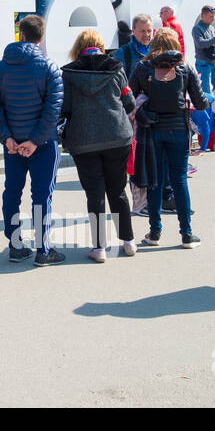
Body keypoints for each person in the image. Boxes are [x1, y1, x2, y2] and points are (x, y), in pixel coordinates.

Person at [0, 14, 65, 265]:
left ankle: (15, 244)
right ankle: (43, 249)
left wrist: (6, 137)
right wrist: (36, 140)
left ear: (20, 35)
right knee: (42, 195)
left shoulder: (1, 67)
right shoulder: (49, 67)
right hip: (42, 144)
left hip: (12, 144)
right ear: (41, 38)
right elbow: (53, 108)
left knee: (12, 191)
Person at [60, 30, 137, 261]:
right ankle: (129, 241)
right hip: (117, 136)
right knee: (118, 191)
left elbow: (65, 108)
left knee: (94, 194)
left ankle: (99, 247)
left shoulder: (70, 73)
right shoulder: (116, 68)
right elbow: (129, 102)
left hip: (84, 141)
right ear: (101, 46)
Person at [129, 30, 209, 248]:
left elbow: (127, 99)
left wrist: (143, 112)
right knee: (179, 180)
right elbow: (201, 103)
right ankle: (187, 234)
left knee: (155, 182)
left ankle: (154, 233)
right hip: (179, 130)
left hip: (152, 130)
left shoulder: (142, 68)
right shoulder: (184, 68)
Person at [191, 5, 215, 97]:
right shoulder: (196, 28)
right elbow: (201, 44)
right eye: (211, 16)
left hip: (214, 62)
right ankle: (207, 109)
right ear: (203, 16)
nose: (213, 19)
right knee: (205, 88)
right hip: (203, 63)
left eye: (214, 16)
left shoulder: (212, 28)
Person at [115, 13, 155, 78]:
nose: (146, 34)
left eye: (149, 31)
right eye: (142, 31)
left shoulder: (159, 50)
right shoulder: (123, 53)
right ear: (133, 31)